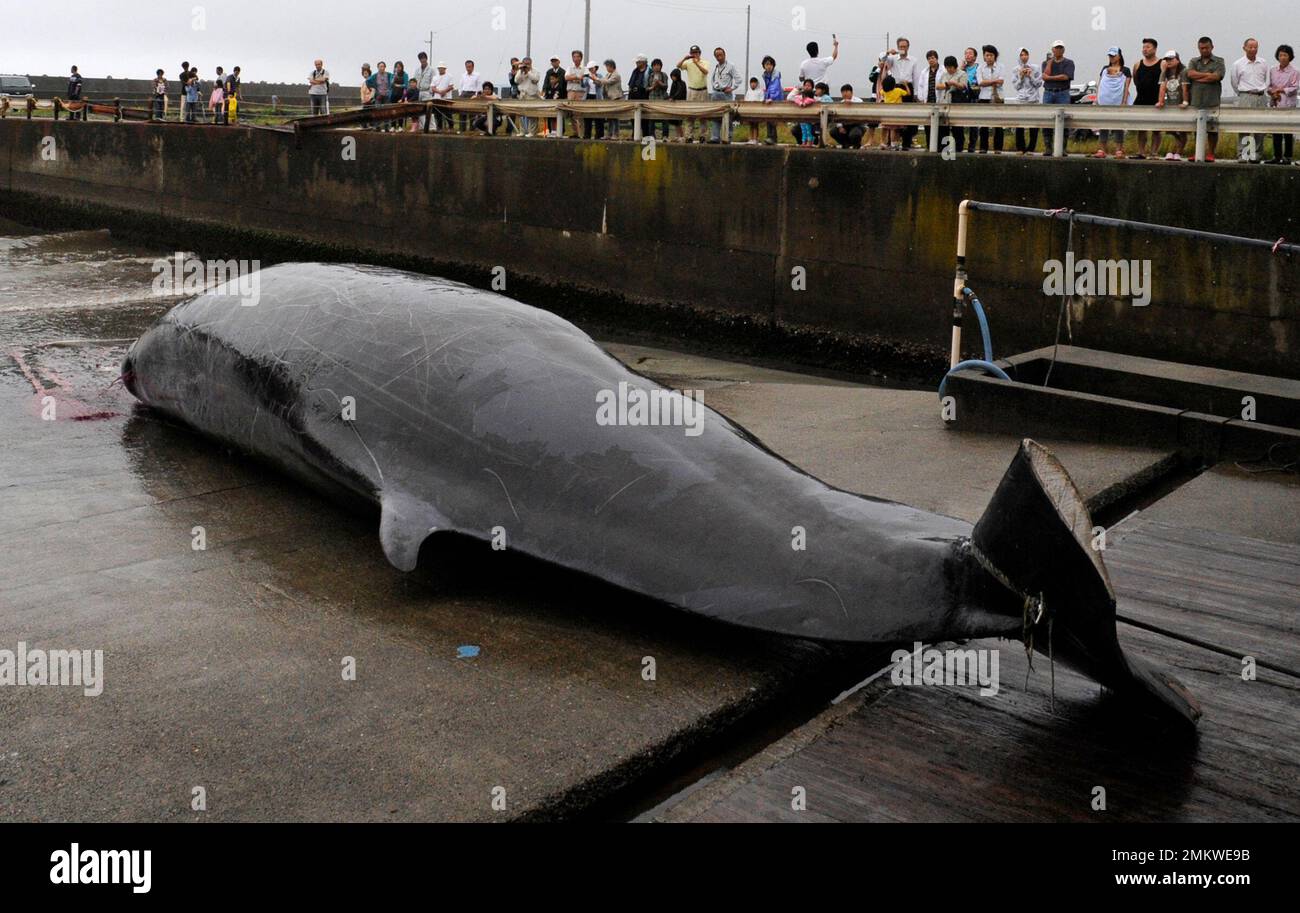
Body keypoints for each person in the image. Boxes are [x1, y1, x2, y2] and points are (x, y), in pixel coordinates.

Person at [1231, 38, 1271, 162]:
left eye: (1255, 47)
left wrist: (1262, 91)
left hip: (1261, 96)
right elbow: (1234, 82)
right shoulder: (1238, 64)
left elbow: (1266, 79)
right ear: (1244, 48)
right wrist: (1242, 93)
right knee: (1244, 126)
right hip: (1245, 95)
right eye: (1251, 47)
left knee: (1260, 127)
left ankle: (1257, 155)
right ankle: (1243, 154)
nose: (1253, 49)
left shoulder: (1263, 63)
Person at [1186, 37, 1225, 162]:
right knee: (1197, 129)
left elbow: (1217, 76)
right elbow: (1190, 74)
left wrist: (1200, 77)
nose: (1204, 50)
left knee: (1212, 128)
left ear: (1212, 47)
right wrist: (1208, 75)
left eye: (1206, 47)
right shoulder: (1194, 61)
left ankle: (1211, 153)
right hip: (1197, 100)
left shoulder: (1219, 61)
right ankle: (1198, 152)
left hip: (1212, 100)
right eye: (1201, 48)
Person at [1093, 48, 1132, 158]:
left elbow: (1126, 87)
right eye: (1110, 55)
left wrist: (1124, 102)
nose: (1111, 57)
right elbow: (1100, 84)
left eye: (1113, 55)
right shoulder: (1105, 69)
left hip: (1117, 100)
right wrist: (1096, 99)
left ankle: (1119, 150)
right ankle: (1102, 149)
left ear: (1119, 56)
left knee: (1118, 125)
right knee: (1103, 125)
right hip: (1104, 100)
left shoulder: (1126, 70)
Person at [1041, 40, 1075, 155]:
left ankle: (1062, 148)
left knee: (1064, 121)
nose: (1058, 50)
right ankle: (1048, 148)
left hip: (1063, 93)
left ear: (1063, 50)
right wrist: (1050, 62)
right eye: (1056, 48)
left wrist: (1050, 78)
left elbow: (1065, 77)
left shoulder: (1069, 63)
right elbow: (1045, 75)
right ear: (1052, 49)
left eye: (1061, 48)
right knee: (1047, 120)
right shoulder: (1046, 63)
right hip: (1048, 92)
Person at [1267, 45, 1299, 164]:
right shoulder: (1273, 70)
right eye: (1281, 55)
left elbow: (1295, 88)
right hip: (1276, 104)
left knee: (1288, 132)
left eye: (1285, 55)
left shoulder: (1295, 71)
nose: (1283, 57)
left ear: (1290, 57)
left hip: (1288, 104)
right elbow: (1269, 86)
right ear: (1277, 56)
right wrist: (1272, 93)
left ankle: (1288, 157)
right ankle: (1276, 156)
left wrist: (1280, 90)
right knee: (1276, 131)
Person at [1131, 40, 1162, 158]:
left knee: (1156, 129)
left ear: (1154, 49)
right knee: (1141, 128)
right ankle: (1141, 152)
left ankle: (1154, 152)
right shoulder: (1138, 64)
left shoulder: (1162, 63)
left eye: (1148, 47)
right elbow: (1135, 80)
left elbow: (1165, 80)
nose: (1145, 49)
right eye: (1143, 47)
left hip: (1156, 100)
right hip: (1141, 99)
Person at [1155, 51, 1189, 160]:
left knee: (1182, 131)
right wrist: (1160, 101)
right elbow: (1162, 87)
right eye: (1167, 59)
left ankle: (1179, 152)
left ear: (1177, 59)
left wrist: (1185, 101)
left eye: (1171, 59)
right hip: (1170, 105)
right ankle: (1170, 151)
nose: (1169, 61)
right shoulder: (1164, 73)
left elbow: (1185, 88)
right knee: (1170, 131)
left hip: (1181, 105)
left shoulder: (1184, 71)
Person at [1010, 48, 1042, 153]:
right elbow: (1016, 86)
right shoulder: (1015, 69)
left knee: (1034, 125)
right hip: (1021, 99)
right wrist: (1021, 76)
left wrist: (1030, 75)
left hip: (1033, 99)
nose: (1024, 57)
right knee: (1019, 125)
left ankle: (1031, 148)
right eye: (1022, 55)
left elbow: (1038, 84)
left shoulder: (1035, 68)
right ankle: (1020, 147)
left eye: (1026, 54)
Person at [976, 45, 1007, 153]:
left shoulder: (1001, 66)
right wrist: (994, 81)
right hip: (984, 97)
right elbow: (980, 82)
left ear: (995, 56)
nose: (989, 57)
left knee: (998, 124)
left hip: (998, 97)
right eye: (987, 55)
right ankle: (983, 147)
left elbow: (1001, 81)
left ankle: (998, 148)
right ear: (984, 57)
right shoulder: (980, 68)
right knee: (983, 124)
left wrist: (987, 81)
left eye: (991, 55)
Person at [677, 45, 710, 142]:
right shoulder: (688, 63)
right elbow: (678, 66)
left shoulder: (705, 62)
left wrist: (697, 63)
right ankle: (689, 136)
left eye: (696, 52)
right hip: (692, 91)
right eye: (692, 53)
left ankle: (703, 135)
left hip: (703, 90)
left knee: (703, 115)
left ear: (700, 53)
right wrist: (684, 58)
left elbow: (705, 72)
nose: (694, 54)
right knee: (690, 115)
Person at [937, 55, 969, 153]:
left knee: (957, 128)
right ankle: (943, 149)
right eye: (947, 67)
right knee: (943, 128)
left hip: (956, 103)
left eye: (950, 67)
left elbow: (963, 86)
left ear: (955, 66)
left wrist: (954, 83)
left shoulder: (962, 73)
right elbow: (938, 86)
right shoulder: (944, 74)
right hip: (944, 102)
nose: (949, 69)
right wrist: (947, 84)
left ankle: (958, 149)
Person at [708, 47, 741, 142]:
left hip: (726, 94)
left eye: (720, 55)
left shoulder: (731, 66)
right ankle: (715, 137)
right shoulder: (716, 67)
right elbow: (714, 79)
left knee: (728, 116)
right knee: (715, 116)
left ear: (724, 55)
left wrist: (732, 88)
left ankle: (728, 137)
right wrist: (714, 87)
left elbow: (739, 79)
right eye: (717, 55)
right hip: (716, 93)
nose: (719, 57)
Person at [757, 55, 784, 145]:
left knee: (772, 118)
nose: (768, 66)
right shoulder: (766, 75)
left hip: (775, 98)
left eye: (770, 64)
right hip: (769, 97)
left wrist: (770, 98)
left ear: (773, 65)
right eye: (766, 64)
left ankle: (772, 137)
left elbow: (775, 87)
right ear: (764, 66)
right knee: (769, 118)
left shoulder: (775, 74)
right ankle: (771, 137)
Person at [829, 84, 865, 148]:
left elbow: (862, 114)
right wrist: (840, 127)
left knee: (855, 134)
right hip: (845, 125)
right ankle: (846, 143)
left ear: (851, 92)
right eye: (842, 92)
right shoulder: (841, 103)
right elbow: (837, 117)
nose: (844, 94)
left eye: (846, 92)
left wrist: (851, 105)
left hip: (857, 125)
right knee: (833, 132)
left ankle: (856, 144)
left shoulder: (859, 101)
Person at [877, 74, 907, 149]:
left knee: (885, 128)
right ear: (894, 84)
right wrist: (906, 85)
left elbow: (880, 91)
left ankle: (883, 143)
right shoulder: (898, 90)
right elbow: (908, 93)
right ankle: (894, 143)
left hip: (887, 113)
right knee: (894, 129)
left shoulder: (884, 91)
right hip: (897, 113)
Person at [515, 57, 541, 136]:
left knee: (532, 114)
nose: (526, 65)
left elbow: (535, 80)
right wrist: (521, 71)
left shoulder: (535, 71)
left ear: (531, 63)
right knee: (522, 114)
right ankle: (522, 131)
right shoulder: (520, 71)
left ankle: (532, 132)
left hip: (532, 95)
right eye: (525, 64)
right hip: (523, 95)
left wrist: (528, 72)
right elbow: (516, 80)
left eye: (528, 64)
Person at [599, 59, 624, 138]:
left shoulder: (616, 75)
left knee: (615, 117)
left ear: (611, 66)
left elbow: (608, 82)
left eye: (607, 66)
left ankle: (615, 134)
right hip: (608, 98)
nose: (606, 68)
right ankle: (609, 134)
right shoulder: (607, 74)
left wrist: (598, 79)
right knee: (609, 117)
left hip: (615, 98)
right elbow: (603, 81)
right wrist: (595, 79)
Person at [647, 58, 669, 140]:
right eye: (654, 65)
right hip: (652, 99)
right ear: (652, 67)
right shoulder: (650, 75)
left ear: (661, 66)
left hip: (662, 98)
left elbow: (666, 86)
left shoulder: (664, 75)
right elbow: (646, 88)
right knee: (651, 118)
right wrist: (653, 86)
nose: (656, 67)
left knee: (664, 118)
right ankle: (652, 135)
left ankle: (665, 136)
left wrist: (659, 83)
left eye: (658, 65)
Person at [458, 60, 483, 132]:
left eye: (469, 67)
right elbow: (460, 86)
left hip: (473, 94)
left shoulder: (477, 75)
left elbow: (479, 87)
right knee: (462, 113)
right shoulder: (463, 75)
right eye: (467, 67)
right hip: (464, 94)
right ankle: (462, 130)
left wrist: (476, 96)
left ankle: (472, 130)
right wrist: (460, 94)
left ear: (473, 67)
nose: (468, 68)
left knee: (472, 113)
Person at [431, 62, 455, 130]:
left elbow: (451, 86)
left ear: (445, 68)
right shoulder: (435, 77)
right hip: (437, 97)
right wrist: (439, 92)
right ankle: (439, 127)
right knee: (438, 113)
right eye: (439, 68)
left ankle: (451, 127)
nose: (440, 69)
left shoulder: (449, 76)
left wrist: (444, 91)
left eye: (442, 68)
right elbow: (432, 87)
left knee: (448, 113)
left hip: (447, 97)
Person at [668, 66, 687, 141]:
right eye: (672, 76)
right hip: (673, 104)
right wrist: (669, 97)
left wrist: (673, 97)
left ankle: (682, 136)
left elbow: (679, 92)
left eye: (674, 76)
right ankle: (677, 135)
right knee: (675, 121)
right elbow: (671, 92)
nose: (673, 78)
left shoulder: (682, 83)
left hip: (680, 104)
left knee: (679, 121)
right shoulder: (673, 83)